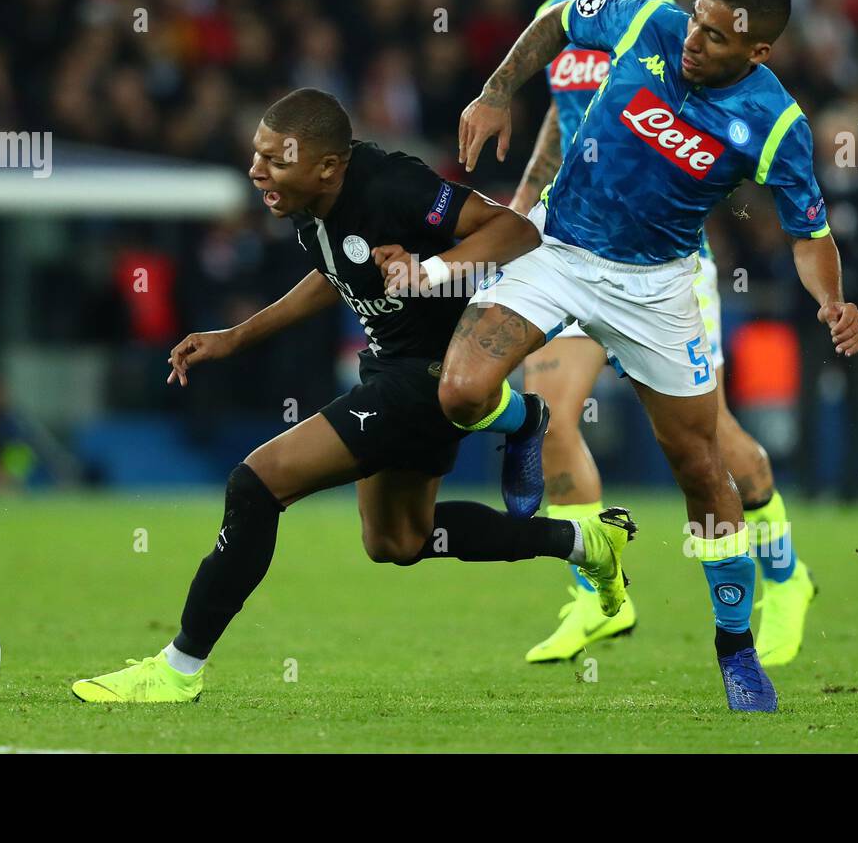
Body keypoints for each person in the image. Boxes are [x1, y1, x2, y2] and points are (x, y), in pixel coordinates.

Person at [71, 88, 637, 702]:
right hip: (391, 368)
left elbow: (514, 230)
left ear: (327, 167)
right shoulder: (310, 205)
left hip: (430, 376)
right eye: (257, 156)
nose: (258, 170)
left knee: (256, 485)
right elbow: (333, 273)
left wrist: (434, 270)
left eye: (275, 161)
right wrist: (237, 337)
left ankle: (177, 670)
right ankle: (585, 541)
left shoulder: (393, 186)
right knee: (397, 542)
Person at [443, 0, 858, 712]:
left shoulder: (774, 123)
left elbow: (810, 233)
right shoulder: (648, 23)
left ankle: (736, 649)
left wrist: (832, 300)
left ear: (758, 51)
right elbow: (558, 19)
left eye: (716, 36)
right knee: (461, 391)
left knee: (704, 468)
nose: (694, 41)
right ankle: (530, 423)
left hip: (659, 290)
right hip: (559, 250)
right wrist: (497, 89)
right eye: (697, 21)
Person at [509, 0, 820, 667]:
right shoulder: (561, 25)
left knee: (710, 440)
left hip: (659, 271)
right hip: (572, 248)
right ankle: (597, 596)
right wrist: (521, 211)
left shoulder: (657, 23)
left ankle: (784, 573)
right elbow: (559, 120)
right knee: (547, 413)